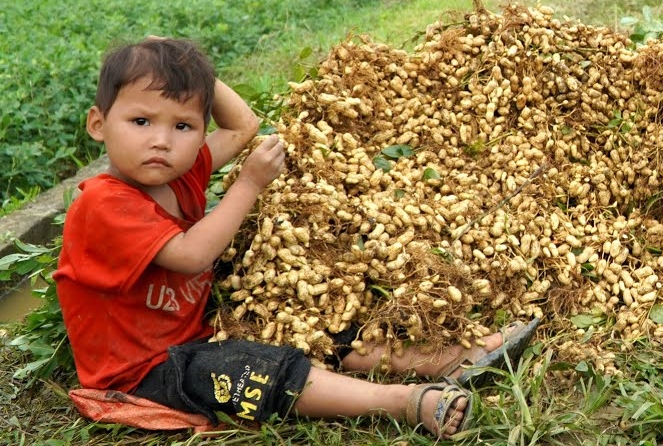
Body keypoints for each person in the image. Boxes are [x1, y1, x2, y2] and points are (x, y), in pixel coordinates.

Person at [54, 37, 539, 438]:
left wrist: (184, 63)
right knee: (255, 368)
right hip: (145, 372)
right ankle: (404, 402)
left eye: (183, 125)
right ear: (98, 124)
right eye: (141, 121)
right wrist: (248, 184)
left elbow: (241, 125)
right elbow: (191, 254)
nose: (161, 140)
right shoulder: (104, 202)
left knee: (306, 315)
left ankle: (442, 361)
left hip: (199, 331)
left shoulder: (179, 173)